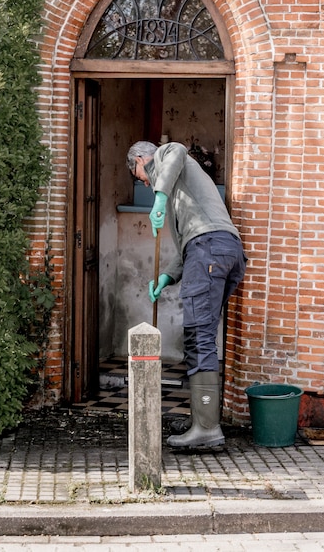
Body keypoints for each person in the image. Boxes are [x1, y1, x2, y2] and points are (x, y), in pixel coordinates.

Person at [127, 139, 245, 452]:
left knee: (198, 337)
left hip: (209, 251)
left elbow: (177, 150)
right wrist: (167, 276)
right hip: (223, 251)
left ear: (142, 159)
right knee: (202, 334)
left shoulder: (167, 155)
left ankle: (206, 428)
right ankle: (201, 420)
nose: (147, 183)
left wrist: (160, 198)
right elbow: (189, 245)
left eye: (141, 176)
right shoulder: (184, 191)